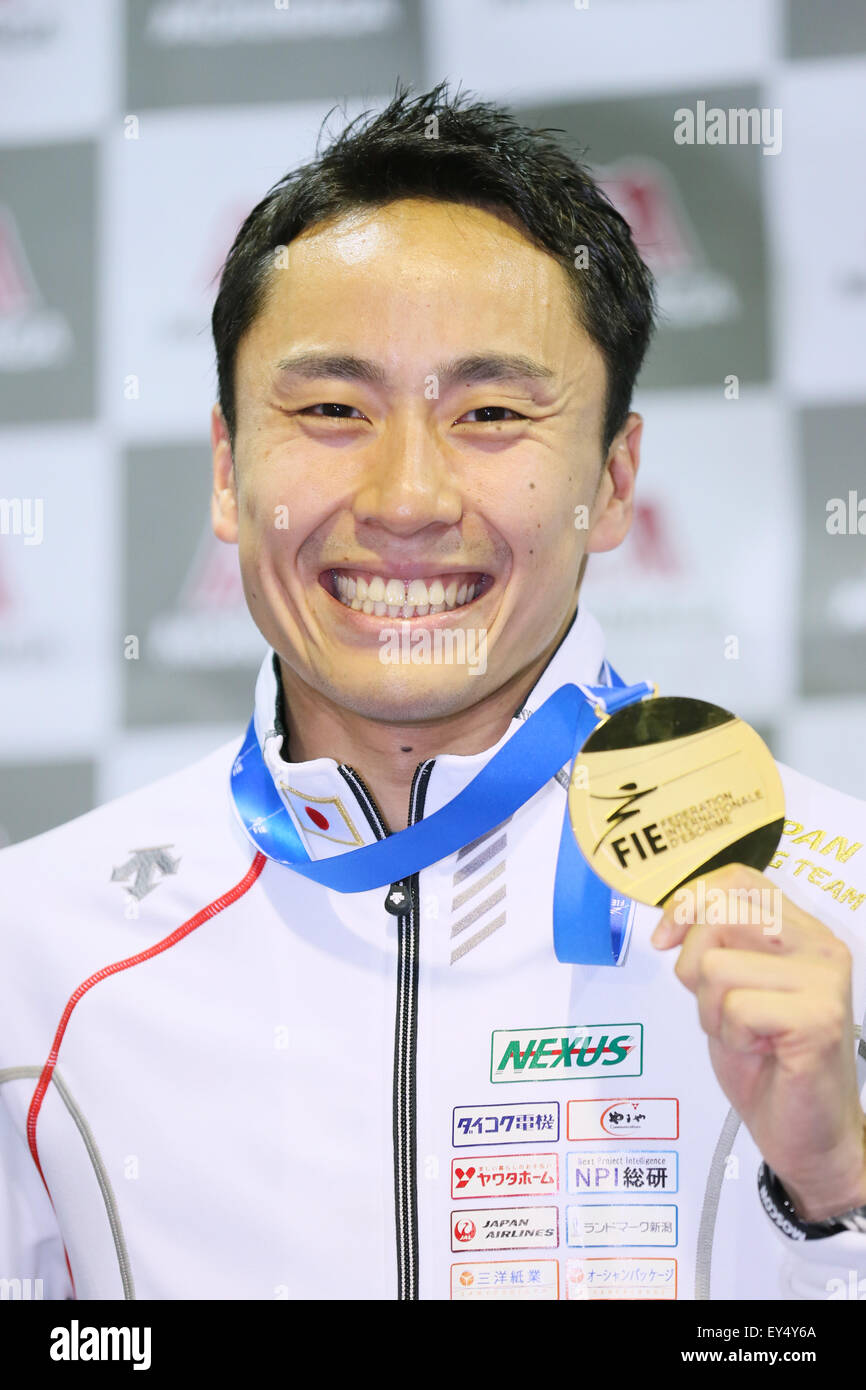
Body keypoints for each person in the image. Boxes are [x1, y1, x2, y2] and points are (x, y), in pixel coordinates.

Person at [1, 82, 865, 1304]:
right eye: (332, 409)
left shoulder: (834, 908)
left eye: (492, 412)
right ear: (226, 466)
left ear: (612, 480)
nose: (407, 497)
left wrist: (838, 1192)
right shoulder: (31, 954)